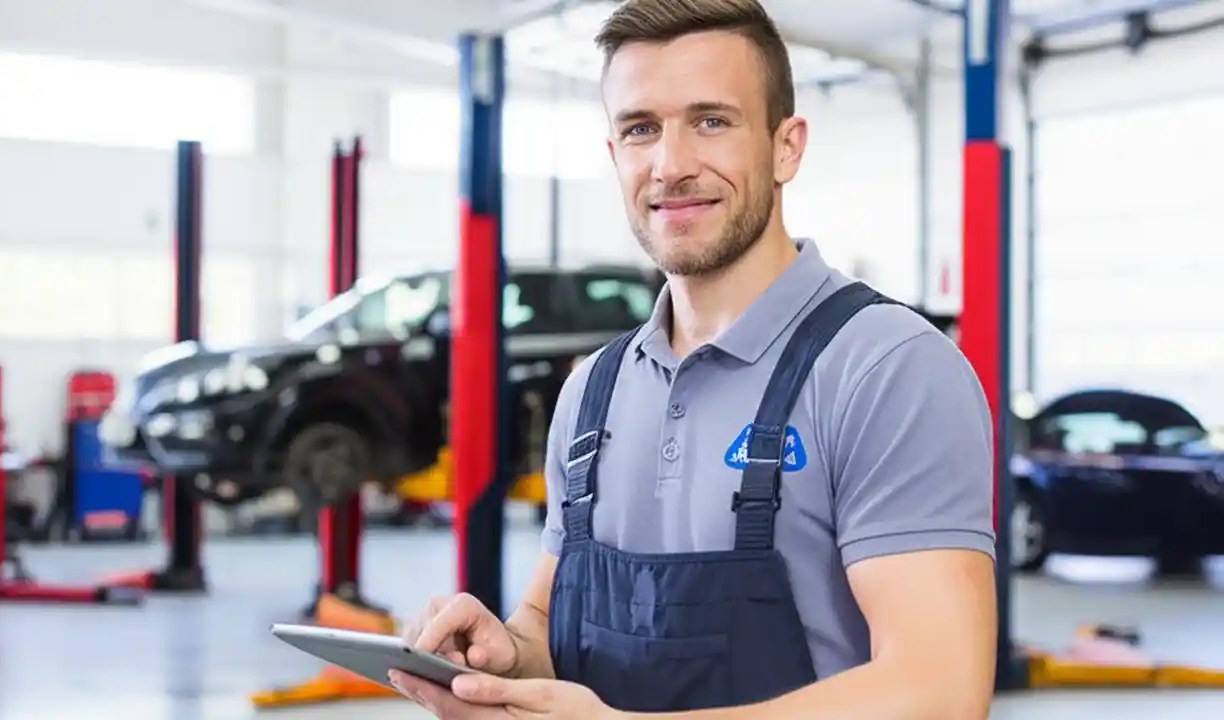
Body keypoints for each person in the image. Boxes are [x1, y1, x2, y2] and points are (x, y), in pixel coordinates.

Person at [390, 0, 998, 717]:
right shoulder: (593, 391)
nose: (671, 166)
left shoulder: (888, 369)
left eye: (711, 121)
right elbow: (554, 631)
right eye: (641, 129)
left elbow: (938, 689)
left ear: (786, 146)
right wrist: (505, 656)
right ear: (615, 156)